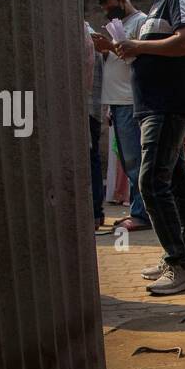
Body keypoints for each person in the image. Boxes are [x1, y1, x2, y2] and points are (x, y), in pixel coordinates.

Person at [112, 0, 185, 296]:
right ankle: (178, 258)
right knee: (175, 182)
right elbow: (163, 48)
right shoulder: (155, 8)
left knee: (151, 182)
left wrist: (139, 47)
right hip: (154, 105)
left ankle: (180, 264)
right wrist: (132, 50)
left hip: (167, 106)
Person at [92, 0, 150, 232]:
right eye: (103, 6)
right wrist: (105, 51)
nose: (106, 9)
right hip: (116, 102)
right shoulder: (120, 25)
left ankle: (142, 214)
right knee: (128, 162)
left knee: (135, 160)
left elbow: (140, 59)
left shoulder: (141, 22)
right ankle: (137, 210)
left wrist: (110, 47)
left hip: (130, 100)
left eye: (109, 3)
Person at [84, 23, 105, 232]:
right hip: (93, 109)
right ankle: (95, 213)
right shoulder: (93, 41)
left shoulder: (86, 40)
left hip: (87, 109)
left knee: (90, 161)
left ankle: (94, 213)